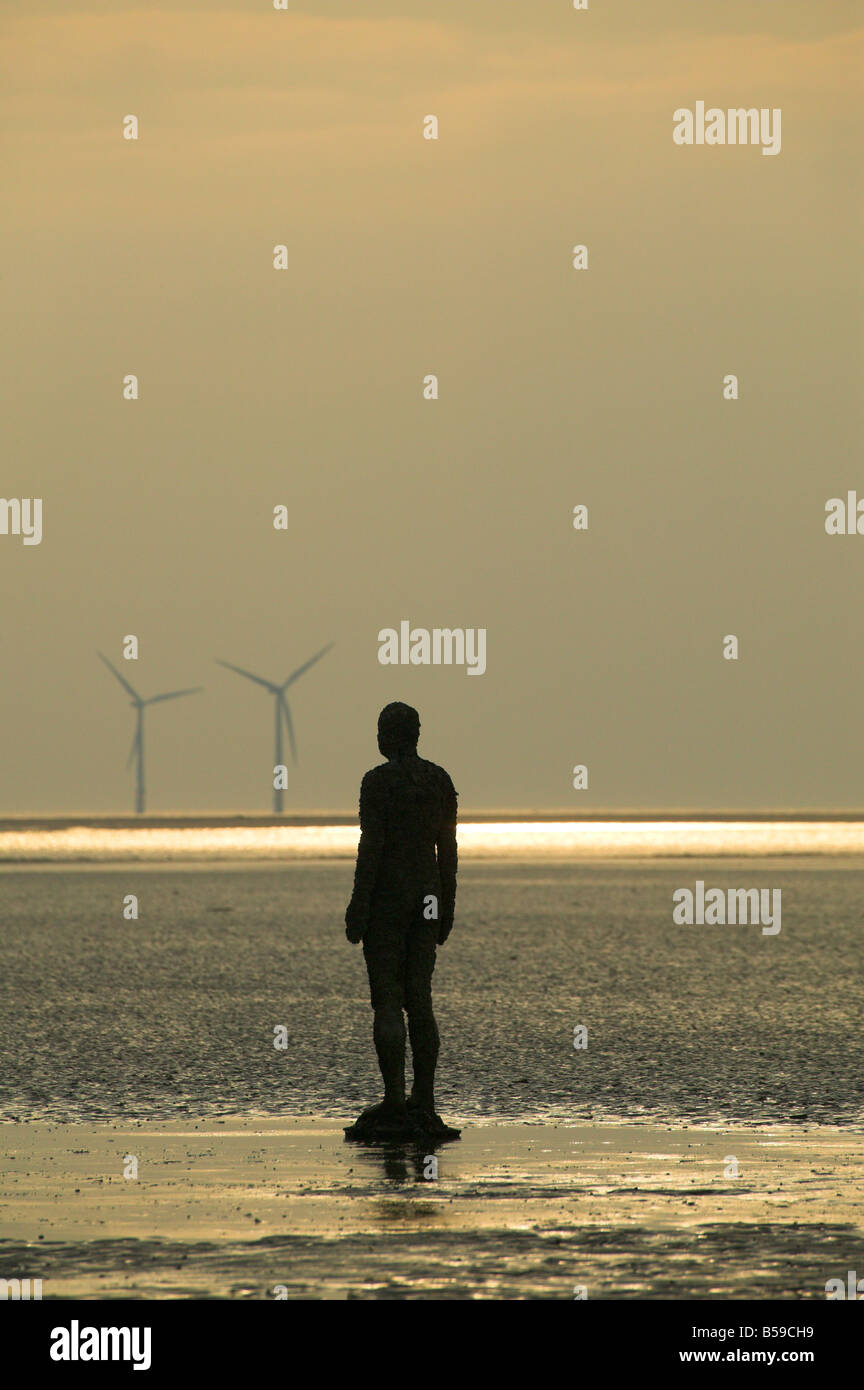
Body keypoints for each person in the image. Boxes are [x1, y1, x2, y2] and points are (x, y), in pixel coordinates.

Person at [344, 702, 459, 1140]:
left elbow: (371, 847)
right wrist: (447, 906)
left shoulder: (378, 783)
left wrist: (358, 907)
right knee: (421, 1000)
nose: (377, 737)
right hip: (427, 899)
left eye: (380, 730)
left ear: (391, 735)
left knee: (389, 1000)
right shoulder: (439, 781)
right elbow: (447, 851)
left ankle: (396, 1100)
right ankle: (424, 1100)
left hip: (389, 900)